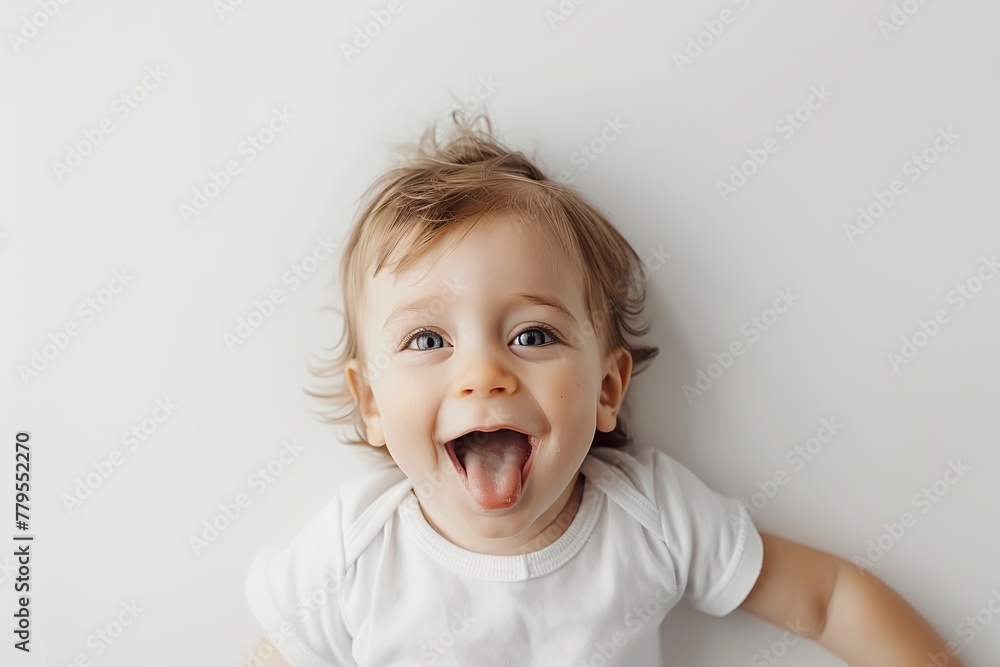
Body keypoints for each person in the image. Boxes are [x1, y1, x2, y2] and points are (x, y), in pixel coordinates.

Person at [243, 112, 960, 666]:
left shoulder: (647, 516)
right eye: (429, 341)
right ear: (371, 402)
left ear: (608, 387)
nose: (483, 374)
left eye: (532, 335)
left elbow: (827, 599)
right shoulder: (354, 551)